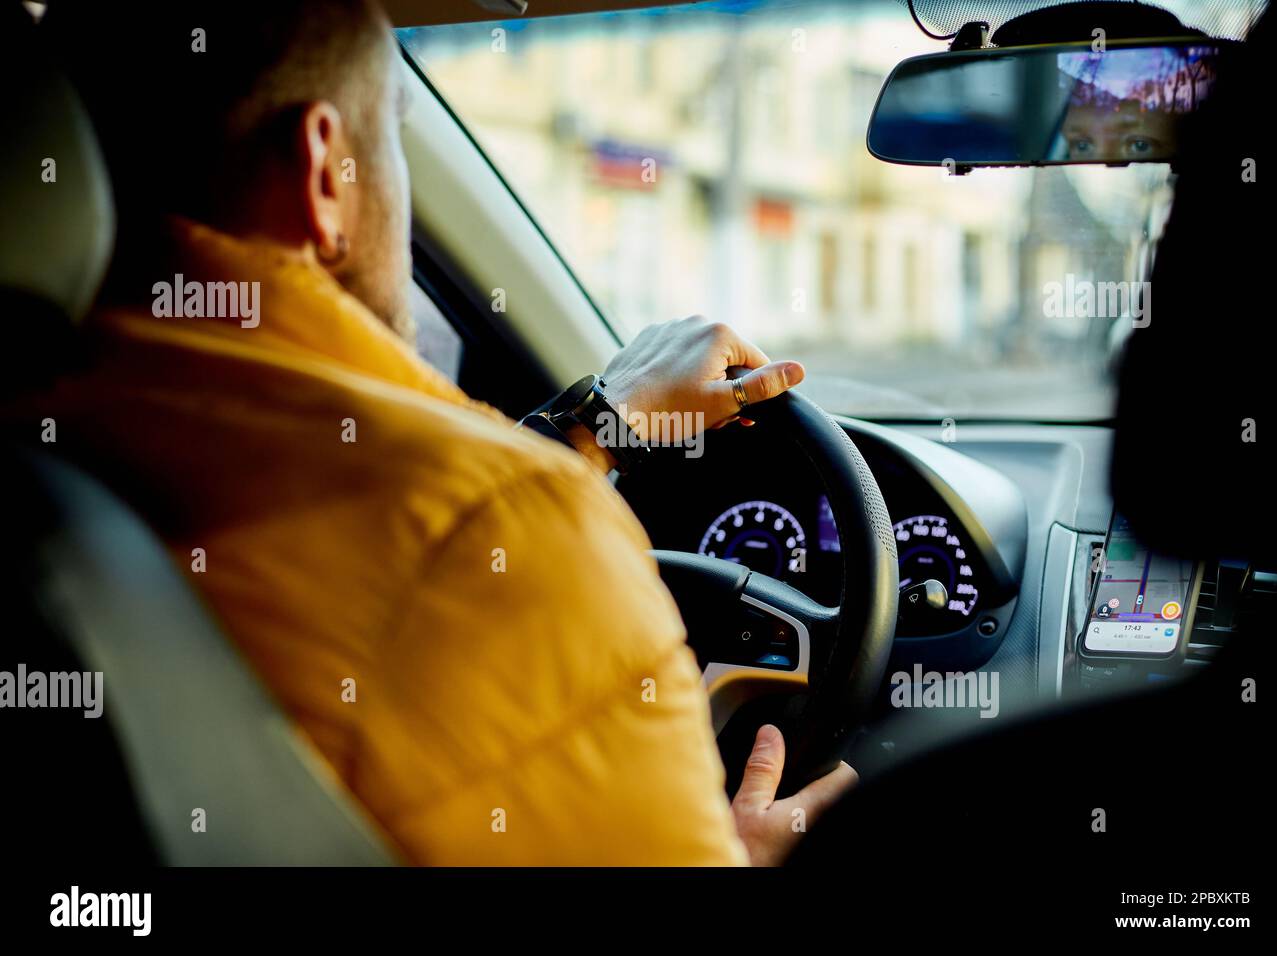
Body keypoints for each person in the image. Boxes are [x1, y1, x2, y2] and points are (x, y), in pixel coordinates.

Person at [28, 0, 857, 864]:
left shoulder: (46, 418)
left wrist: (599, 423)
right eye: (393, 133)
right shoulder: (507, 542)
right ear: (325, 173)